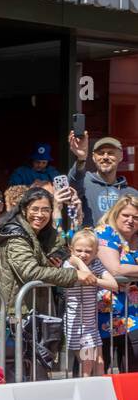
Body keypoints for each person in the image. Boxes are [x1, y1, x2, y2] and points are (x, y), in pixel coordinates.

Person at [0, 187, 84, 380]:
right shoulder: (16, 235)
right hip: (14, 316)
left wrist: (52, 258)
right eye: (35, 209)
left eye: (46, 210)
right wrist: (74, 276)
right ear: (24, 209)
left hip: (31, 313)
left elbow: (62, 247)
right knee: (16, 374)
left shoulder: (39, 233)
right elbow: (30, 272)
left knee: (36, 373)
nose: (40, 214)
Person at [61, 229, 117, 378]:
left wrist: (96, 281)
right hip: (77, 325)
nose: (83, 254)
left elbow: (113, 285)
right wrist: (77, 261)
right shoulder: (69, 265)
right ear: (71, 250)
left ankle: (100, 395)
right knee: (87, 365)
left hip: (91, 325)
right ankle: (87, 396)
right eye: (79, 251)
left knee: (99, 362)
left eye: (88, 251)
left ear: (95, 252)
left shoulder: (95, 263)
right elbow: (86, 276)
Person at [95, 194, 138, 371]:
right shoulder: (105, 232)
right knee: (96, 374)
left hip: (133, 317)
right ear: (115, 214)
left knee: (132, 372)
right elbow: (115, 269)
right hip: (102, 315)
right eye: (125, 215)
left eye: (136, 217)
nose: (130, 220)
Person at [68, 132, 129, 228]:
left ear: (121, 156)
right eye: (100, 153)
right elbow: (72, 185)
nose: (105, 157)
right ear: (93, 157)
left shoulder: (131, 194)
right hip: (90, 242)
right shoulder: (84, 183)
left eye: (111, 153)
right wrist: (81, 158)